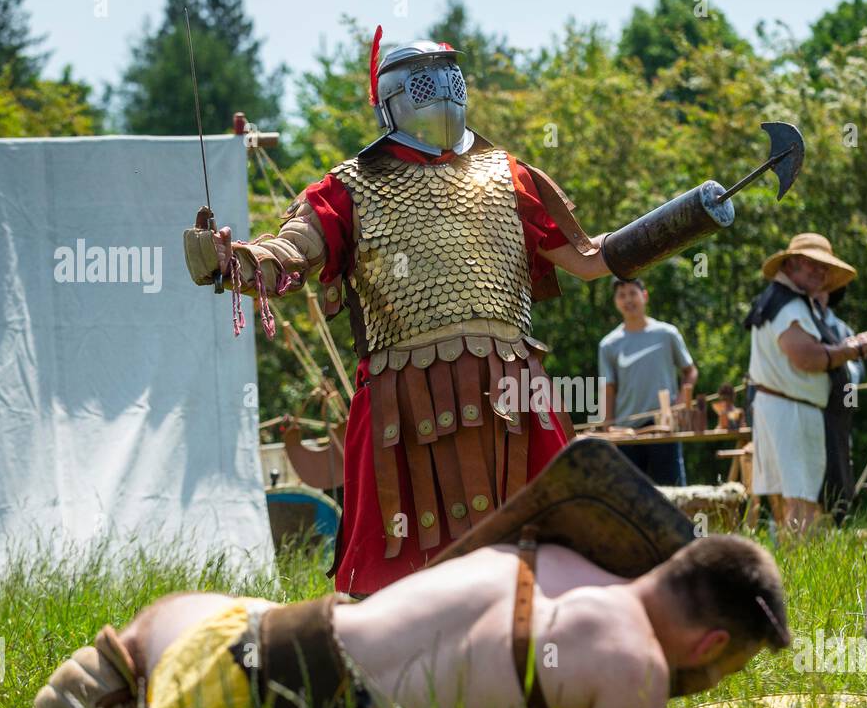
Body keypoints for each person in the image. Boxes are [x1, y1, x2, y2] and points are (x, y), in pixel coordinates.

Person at [183, 33, 754, 596]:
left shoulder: (508, 175)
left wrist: (687, 218)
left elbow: (589, 259)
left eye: (449, 73)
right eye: (426, 77)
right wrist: (239, 260)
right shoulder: (349, 186)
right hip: (403, 400)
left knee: (550, 556)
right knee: (401, 578)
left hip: (509, 387)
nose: (444, 90)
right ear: (393, 96)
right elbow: (293, 249)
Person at [0, 532, 790, 708]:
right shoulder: (641, 668)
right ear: (713, 644)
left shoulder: (540, 557)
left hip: (242, 639)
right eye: (731, 669)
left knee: (188, 626)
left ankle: (103, 699)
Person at [744, 233, 867, 533]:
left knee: (794, 498)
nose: (820, 272)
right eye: (811, 264)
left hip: (784, 406)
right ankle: (800, 567)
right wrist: (852, 349)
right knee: (801, 498)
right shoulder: (788, 305)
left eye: (824, 267)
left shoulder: (783, 300)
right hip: (791, 410)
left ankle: (796, 564)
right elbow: (806, 357)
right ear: (790, 265)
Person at [598, 278, 698, 485]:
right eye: (621, 295)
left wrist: (679, 406)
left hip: (664, 428)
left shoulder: (667, 334)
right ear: (616, 302)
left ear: (644, 295)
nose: (628, 300)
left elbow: (690, 372)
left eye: (632, 293)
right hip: (626, 431)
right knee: (629, 497)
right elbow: (608, 389)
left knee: (673, 494)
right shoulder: (608, 344)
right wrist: (608, 429)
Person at [816, 285, 862, 522]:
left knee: (839, 461)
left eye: (824, 290)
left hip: (837, 408)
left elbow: (854, 374)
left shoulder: (842, 328)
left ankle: (838, 519)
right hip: (811, 406)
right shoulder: (801, 321)